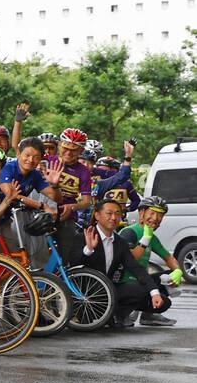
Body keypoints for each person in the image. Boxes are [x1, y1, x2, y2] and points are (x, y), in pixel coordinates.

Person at [67, 197, 169, 328]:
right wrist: (89, 249)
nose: (114, 217)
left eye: (117, 214)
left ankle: (116, 314)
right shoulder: (84, 235)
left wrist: (154, 292)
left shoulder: (120, 242)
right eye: (109, 213)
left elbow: (135, 267)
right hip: (83, 293)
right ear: (97, 215)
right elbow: (73, 264)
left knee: (162, 300)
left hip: (107, 291)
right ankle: (101, 314)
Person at [118, 196, 184, 326]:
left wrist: (178, 272)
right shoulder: (129, 232)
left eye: (160, 215)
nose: (155, 218)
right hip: (123, 283)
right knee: (156, 294)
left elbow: (168, 258)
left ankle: (149, 315)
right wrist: (145, 239)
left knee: (168, 278)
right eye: (152, 213)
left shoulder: (152, 236)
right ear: (141, 213)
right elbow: (131, 260)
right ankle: (121, 313)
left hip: (140, 281)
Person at [47, 128, 95, 250]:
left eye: (74, 151)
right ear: (59, 145)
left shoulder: (83, 171)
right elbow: (18, 150)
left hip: (67, 216)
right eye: (66, 148)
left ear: (81, 151)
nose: (68, 153)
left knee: (65, 253)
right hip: (44, 210)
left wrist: (71, 207)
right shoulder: (48, 160)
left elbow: (86, 202)